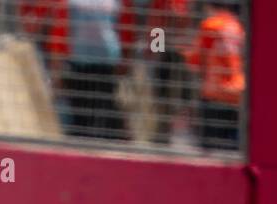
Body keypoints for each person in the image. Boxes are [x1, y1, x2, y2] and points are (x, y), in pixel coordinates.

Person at [42, 0, 135, 141]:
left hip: (98, 62)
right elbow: (60, 28)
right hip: (88, 61)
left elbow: (126, 28)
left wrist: (125, 59)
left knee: (95, 111)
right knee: (89, 111)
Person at [186, 1, 245, 151]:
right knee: (232, 148)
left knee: (210, 149)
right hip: (237, 94)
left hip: (215, 93)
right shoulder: (237, 26)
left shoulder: (211, 25)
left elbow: (195, 60)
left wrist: (184, 53)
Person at [147, 0, 197, 145]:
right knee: (162, 91)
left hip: (182, 49)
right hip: (166, 48)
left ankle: (179, 130)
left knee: (184, 92)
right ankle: (162, 131)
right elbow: (157, 23)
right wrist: (156, 49)